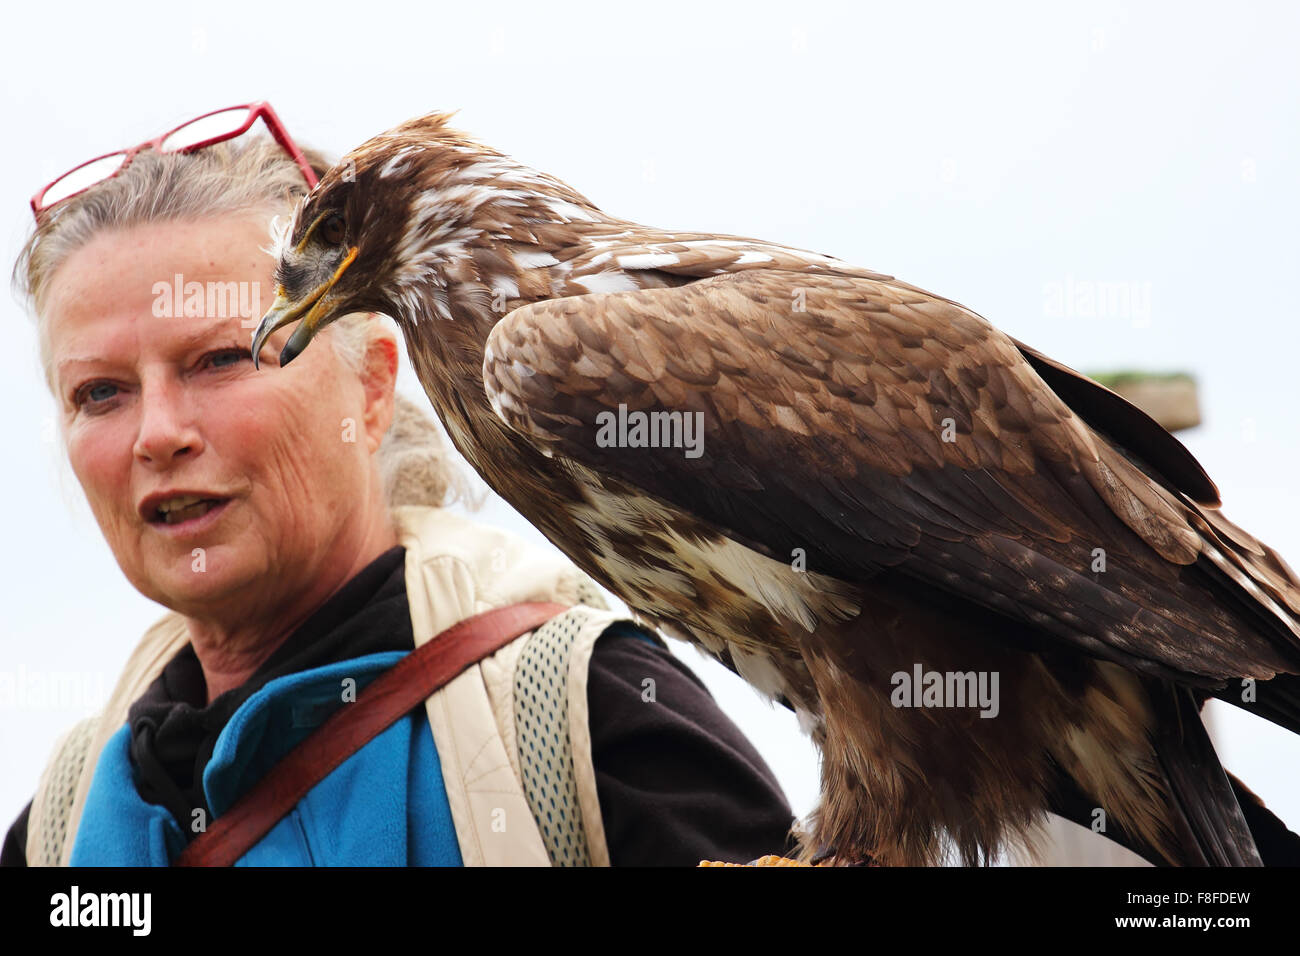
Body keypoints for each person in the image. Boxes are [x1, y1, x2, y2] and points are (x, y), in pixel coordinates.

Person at [1, 102, 798, 867]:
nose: (158, 433)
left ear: (374, 388)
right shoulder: (59, 828)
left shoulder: (590, 724)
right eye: (100, 392)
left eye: (222, 359)